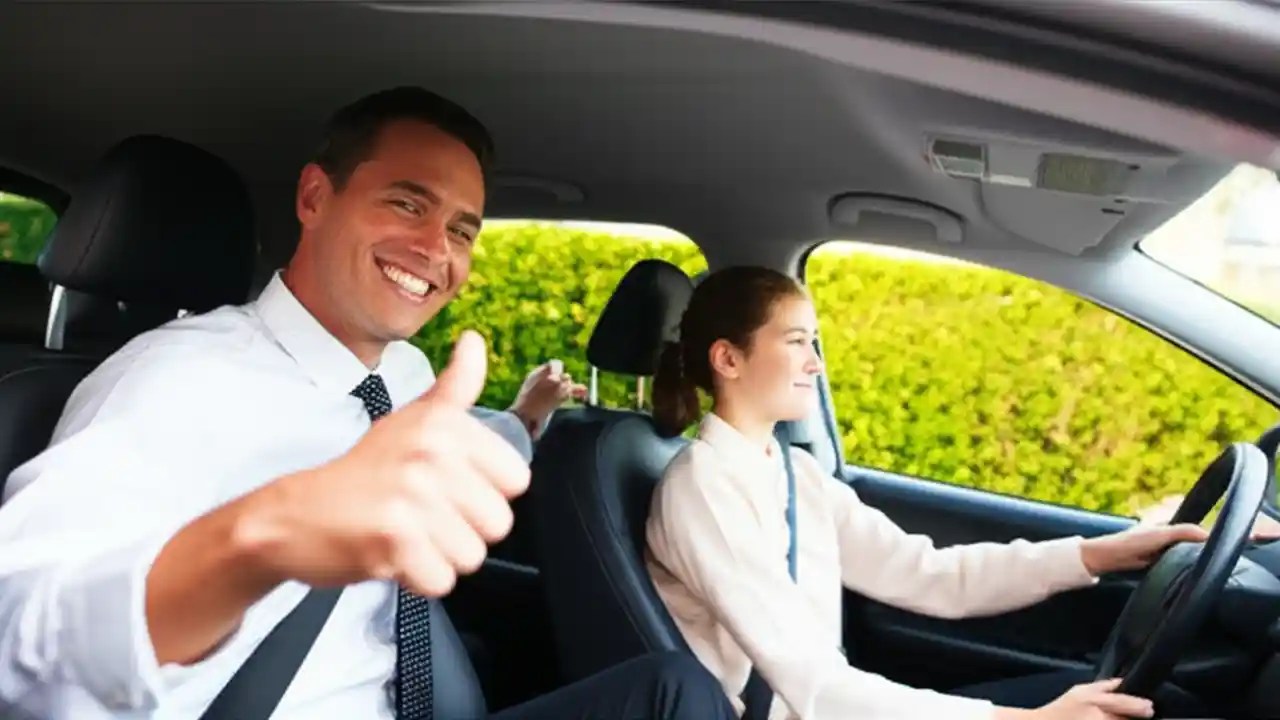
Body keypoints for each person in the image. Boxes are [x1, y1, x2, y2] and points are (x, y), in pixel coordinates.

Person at [0, 87, 735, 720]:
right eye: (407, 204)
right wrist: (261, 535)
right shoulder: (176, 379)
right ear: (316, 197)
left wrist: (524, 421)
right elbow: (21, 635)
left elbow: (459, 450)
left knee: (674, 690)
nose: (433, 249)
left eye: (460, 230)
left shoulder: (408, 376)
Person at [644, 265, 1218, 720]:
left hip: (834, 709)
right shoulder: (701, 488)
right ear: (728, 358)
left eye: (814, 342)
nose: (816, 363)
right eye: (796, 341)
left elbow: (930, 574)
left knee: (1161, 703)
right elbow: (810, 681)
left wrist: (1106, 552)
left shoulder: (794, 472)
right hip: (810, 710)